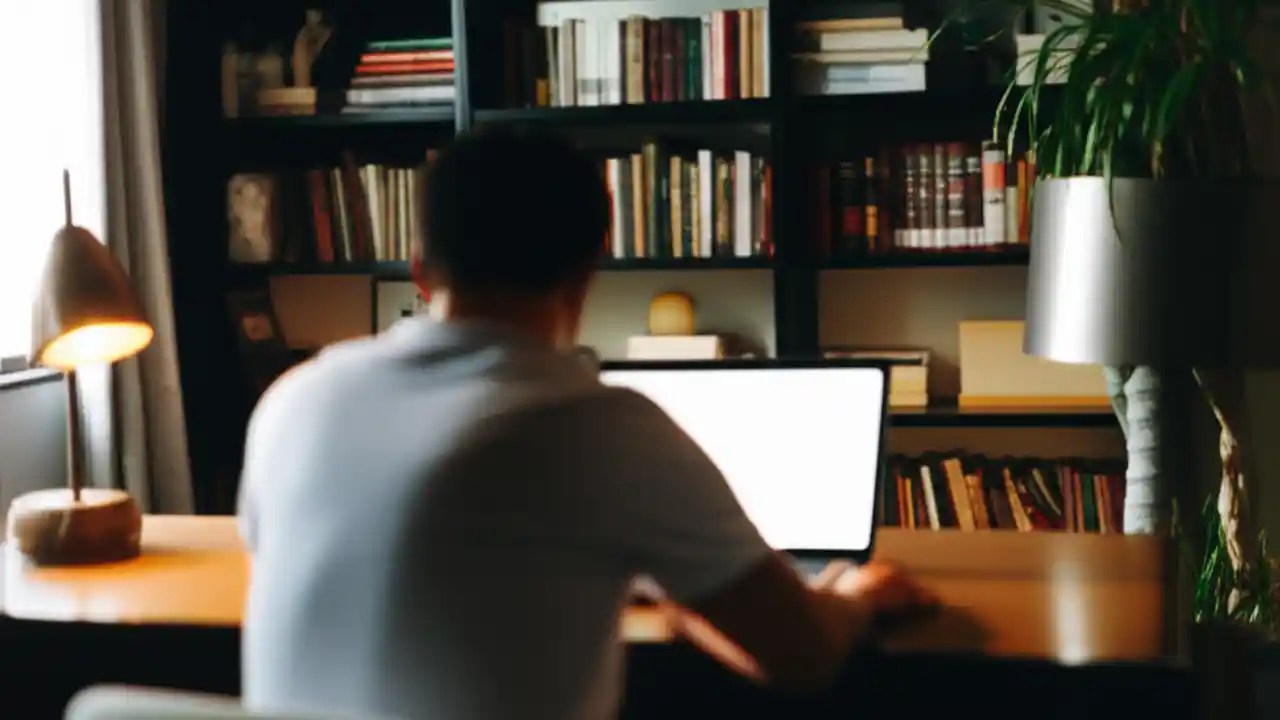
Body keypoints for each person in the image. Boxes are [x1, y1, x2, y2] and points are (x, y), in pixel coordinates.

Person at [238, 128, 937, 720]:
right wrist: (852, 595)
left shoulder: (295, 399)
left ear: (421, 271)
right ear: (589, 265)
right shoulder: (600, 428)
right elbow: (802, 656)